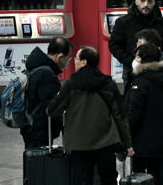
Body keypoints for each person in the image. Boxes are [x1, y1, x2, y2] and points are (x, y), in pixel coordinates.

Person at [46, 46, 133, 185]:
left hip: (78, 145)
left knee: (82, 180)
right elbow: (119, 115)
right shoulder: (108, 83)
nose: (74, 61)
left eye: (77, 58)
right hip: (105, 142)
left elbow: (52, 110)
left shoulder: (71, 84)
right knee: (108, 179)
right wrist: (128, 144)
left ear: (84, 62)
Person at [127, 43, 163, 185]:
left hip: (143, 142)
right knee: (160, 177)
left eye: (137, 57)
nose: (135, 60)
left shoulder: (140, 81)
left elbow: (134, 113)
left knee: (140, 179)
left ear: (143, 59)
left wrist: (127, 138)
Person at [108, 0, 163, 88]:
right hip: (132, 71)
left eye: (149, 1)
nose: (146, 4)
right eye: (142, 0)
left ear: (154, 3)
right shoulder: (124, 22)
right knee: (133, 97)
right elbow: (114, 45)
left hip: (156, 71)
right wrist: (131, 61)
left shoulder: (160, 22)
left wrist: (160, 61)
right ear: (136, 1)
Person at [21, 37, 72, 149]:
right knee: (39, 157)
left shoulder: (39, 67)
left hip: (31, 126)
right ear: (60, 57)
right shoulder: (46, 73)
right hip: (39, 130)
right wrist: (62, 124)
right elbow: (49, 106)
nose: (68, 61)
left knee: (33, 156)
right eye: (68, 58)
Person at [135, 29, 163, 132]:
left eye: (140, 43)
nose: (137, 46)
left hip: (160, 118)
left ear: (150, 45)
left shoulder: (156, 64)